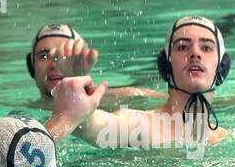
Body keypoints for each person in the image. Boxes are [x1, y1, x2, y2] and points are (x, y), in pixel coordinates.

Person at [46, 15, 233, 153]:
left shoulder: (226, 139)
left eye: (206, 47)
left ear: (222, 66)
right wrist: (73, 84)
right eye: (183, 46)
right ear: (166, 65)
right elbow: (87, 123)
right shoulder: (138, 125)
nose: (195, 54)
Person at [25, 24, 165, 109]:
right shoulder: (22, 114)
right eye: (44, 56)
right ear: (32, 67)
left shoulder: (116, 99)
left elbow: (174, 101)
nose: (55, 64)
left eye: (65, 55)